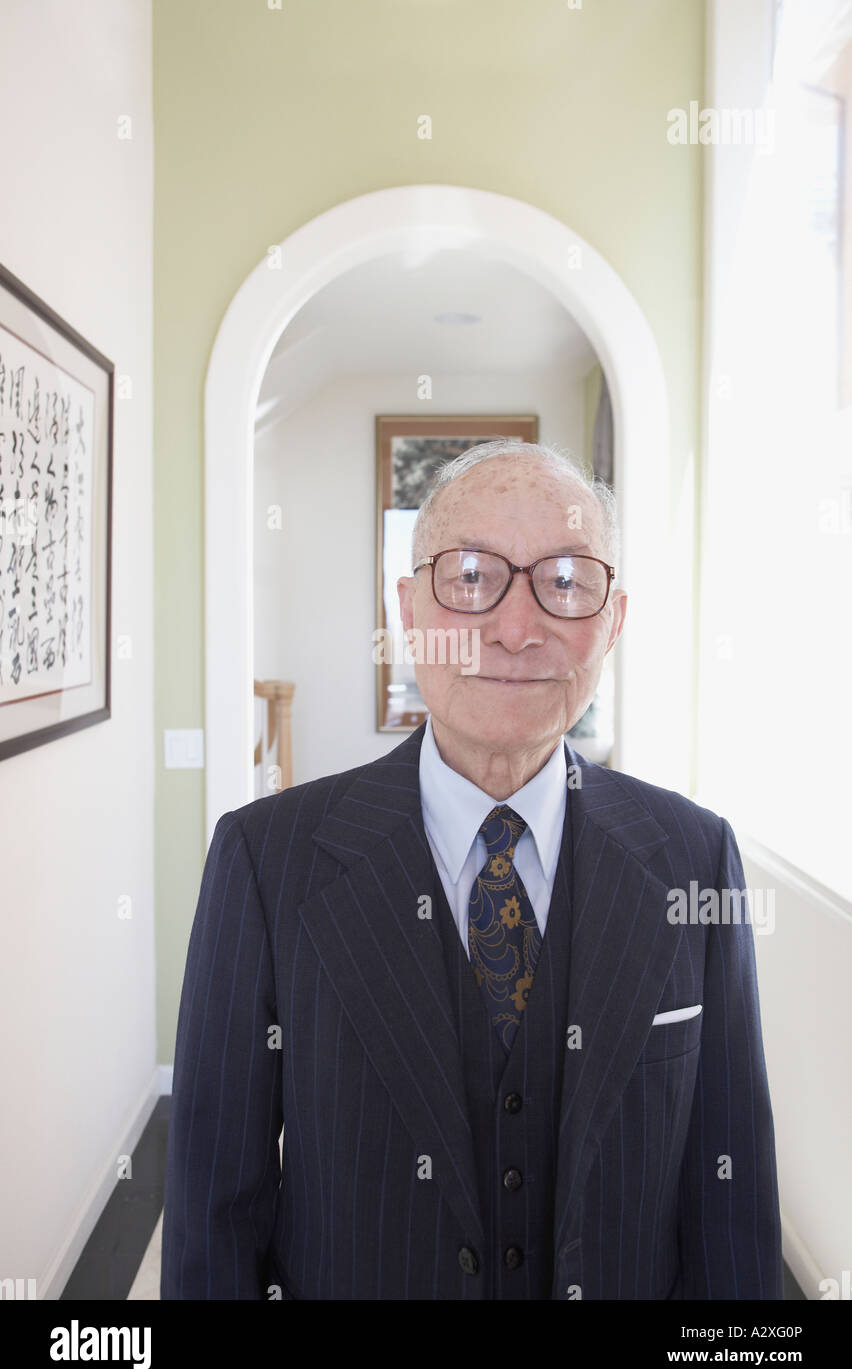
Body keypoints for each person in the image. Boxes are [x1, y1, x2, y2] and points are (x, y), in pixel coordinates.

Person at [161, 439, 783, 1300]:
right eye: (469, 576)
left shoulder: (695, 857)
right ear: (408, 610)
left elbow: (731, 1196)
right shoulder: (265, 862)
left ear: (612, 621)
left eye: (565, 581)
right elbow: (214, 1209)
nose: (517, 629)